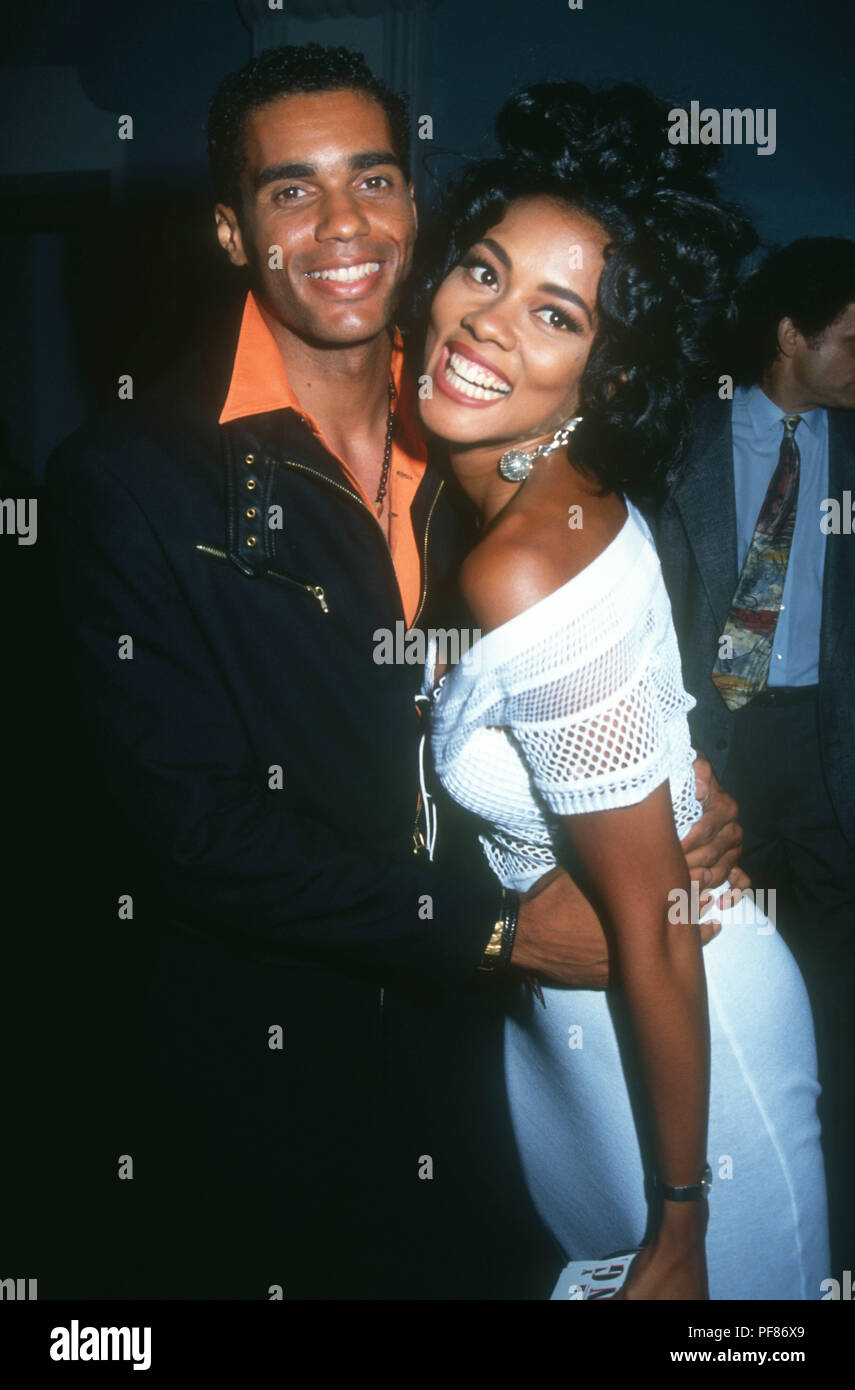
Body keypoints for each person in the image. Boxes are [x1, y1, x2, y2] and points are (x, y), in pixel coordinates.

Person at [45, 47, 743, 1300]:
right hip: (281, 1043)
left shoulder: (487, 432)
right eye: (288, 191)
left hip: (513, 1049)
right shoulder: (132, 478)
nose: (342, 226)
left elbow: (587, 672)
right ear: (229, 227)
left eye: (372, 179)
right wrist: (497, 930)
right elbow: (191, 826)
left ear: (415, 207)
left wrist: (679, 803)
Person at [416, 80, 830, 1299]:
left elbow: (651, 921)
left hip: (691, 1055)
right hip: (575, 1041)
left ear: (604, 375)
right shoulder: (517, 501)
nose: (489, 323)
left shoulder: (529, 552)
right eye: (483, 273)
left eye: (555, 314)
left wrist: (685, 1224)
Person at [653, 238, 855, 1280]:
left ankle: (821, 1177)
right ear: (793, 336)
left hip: (825, 740)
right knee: (709, 950)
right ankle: (705, 1171)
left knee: (828, 963)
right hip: (712, 735)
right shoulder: (681, 439)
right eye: (852, 339)